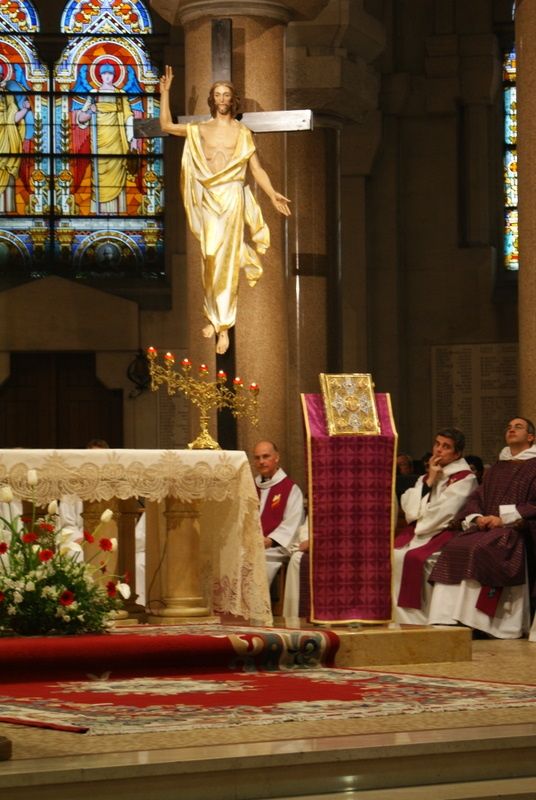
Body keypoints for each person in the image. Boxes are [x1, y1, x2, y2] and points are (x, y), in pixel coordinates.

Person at [159, 65, 291, 355]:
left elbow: (256, 170)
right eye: (217, 94)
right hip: (209, 197)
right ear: (212, 99)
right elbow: (166, 127)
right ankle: (212, 314)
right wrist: (165, 93)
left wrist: (271, 195)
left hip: (231, 195)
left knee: (227, 261)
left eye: (226, 95)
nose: (221, 99)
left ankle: (223, 325)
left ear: (233, 100)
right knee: (209, 256)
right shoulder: (200, 130)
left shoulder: (242, 133)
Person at [428, 417, 536, 639]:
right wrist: (477, 517)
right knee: (455, 545)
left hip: (515, 529)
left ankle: (484, 621)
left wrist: (503, 518)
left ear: (531, 437)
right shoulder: (498, 466)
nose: (511, 429)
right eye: (508, 427)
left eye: (518, 427)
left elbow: (533, 504)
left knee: (482, 547)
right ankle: (449, 615)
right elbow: (478, 496)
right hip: (487, 525)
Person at [393, 428, 477, 625]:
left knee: (411, 557)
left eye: (446, 447)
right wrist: (430, 479)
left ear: (457, 454)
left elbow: (445, 511)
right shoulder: (426, 476)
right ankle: (398, 616)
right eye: (437, 444)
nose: (439, 450)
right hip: (421, 531)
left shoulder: (465, 478)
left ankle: (419, 618)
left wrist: (421, 519)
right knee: (393, 554)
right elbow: (409, 508)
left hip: (445, 532)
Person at [74, 61, 141, 213]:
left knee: (117, 170)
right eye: (104, 73)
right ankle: (100, 210)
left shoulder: (120, 95)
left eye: (110, 74)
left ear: (114, 76)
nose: (107, 77)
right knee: (99, 173)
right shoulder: (93, 94)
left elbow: (128, 116)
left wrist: (132, 140)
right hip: (99, 141)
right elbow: (81, 119)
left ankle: (118, 210)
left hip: (117, 139)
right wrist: (91, 112)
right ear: (100, 76)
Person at [253, 440, 304, 585]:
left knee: (255, 561)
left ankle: (259, 607)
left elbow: (292, 523)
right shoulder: (250, 487)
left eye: (266, 456)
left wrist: (270, 541)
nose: (261, 461)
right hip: (252, 546)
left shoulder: (290, 489)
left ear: (277, 457)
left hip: (274, 550)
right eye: (257, 458)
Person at [0, 61, 32, 212]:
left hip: (6, 137)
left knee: (6, 169)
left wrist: (25, 110)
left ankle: (6, 209)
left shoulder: (8, 97)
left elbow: (12, 118)